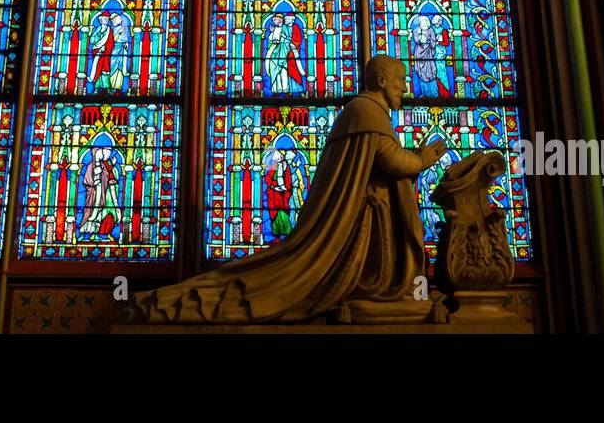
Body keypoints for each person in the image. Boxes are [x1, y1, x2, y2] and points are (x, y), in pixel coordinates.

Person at [131, 54, 449, 323]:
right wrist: (423, 158)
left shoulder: (368, 112)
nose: (406, 87)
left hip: (370, 224)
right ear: (380, 80)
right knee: (292, 284)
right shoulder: (364, 111)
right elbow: (393, 161)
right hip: (360, 226)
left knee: (375, 288)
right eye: (400, 80)